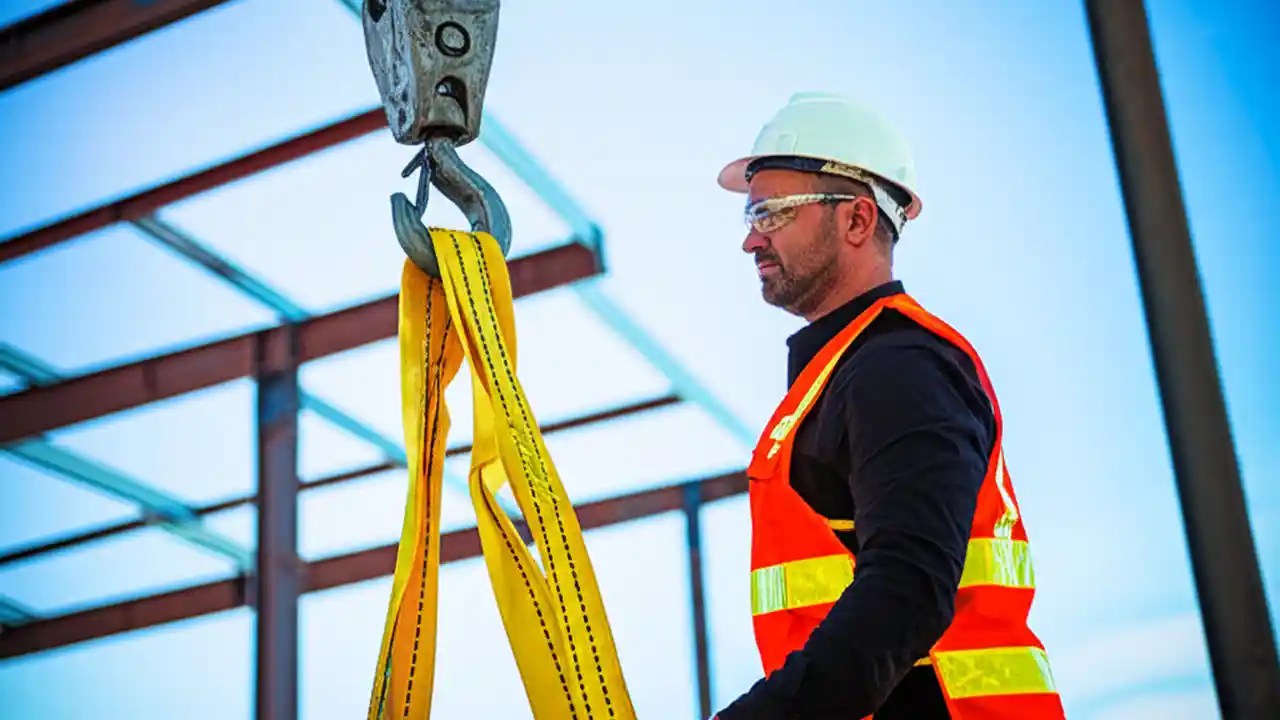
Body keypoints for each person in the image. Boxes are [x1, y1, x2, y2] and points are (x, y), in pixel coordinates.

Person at [709, 93, 1067, 719]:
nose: (750, 240)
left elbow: (906, 590)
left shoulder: (897, 367)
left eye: (771, 214)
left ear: (857, 221)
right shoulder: (846, 372)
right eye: (750, 214)